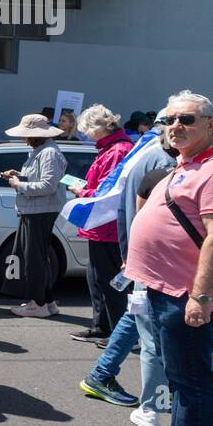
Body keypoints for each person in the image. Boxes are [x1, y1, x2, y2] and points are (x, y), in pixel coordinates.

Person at [121, 91, 213, 426]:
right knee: (178, 374)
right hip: (163, 288)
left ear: (211, 125)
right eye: (171, 119)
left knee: (191, 377)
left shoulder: (209, 170)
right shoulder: (185, 165)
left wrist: (201, 296)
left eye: (188, 119)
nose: (176, 126)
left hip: (183, 292)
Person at [79, 134, 177, 410]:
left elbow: (129, 209)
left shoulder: (149, 156)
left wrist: (129, 252)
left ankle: (103, 375)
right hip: (158, 263)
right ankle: (159, 401)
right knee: (155, 332)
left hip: (147, 258)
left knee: (137, 317)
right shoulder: (166, 164)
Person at [67, 105, 134, 344]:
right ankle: (103, 327)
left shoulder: (117, 150)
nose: (86, 135)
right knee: (97, 279)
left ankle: (116, 332)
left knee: (109, 281)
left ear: (100, 127)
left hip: (107, 224)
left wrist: (82, 191)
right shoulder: (111, 148)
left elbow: (109, 192)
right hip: (101, 224)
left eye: (87, 131)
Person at [0, 114, 68, 318]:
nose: (24, 139)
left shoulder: (48, 153)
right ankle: (47, 302)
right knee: (37, 258)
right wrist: (19, 177)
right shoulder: (42, 151)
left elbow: (48, 185)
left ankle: (37, 304)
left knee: (34, 260)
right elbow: (43, 181)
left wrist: (18, 184)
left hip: (40, 210)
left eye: (27, 135)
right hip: (37, 209)